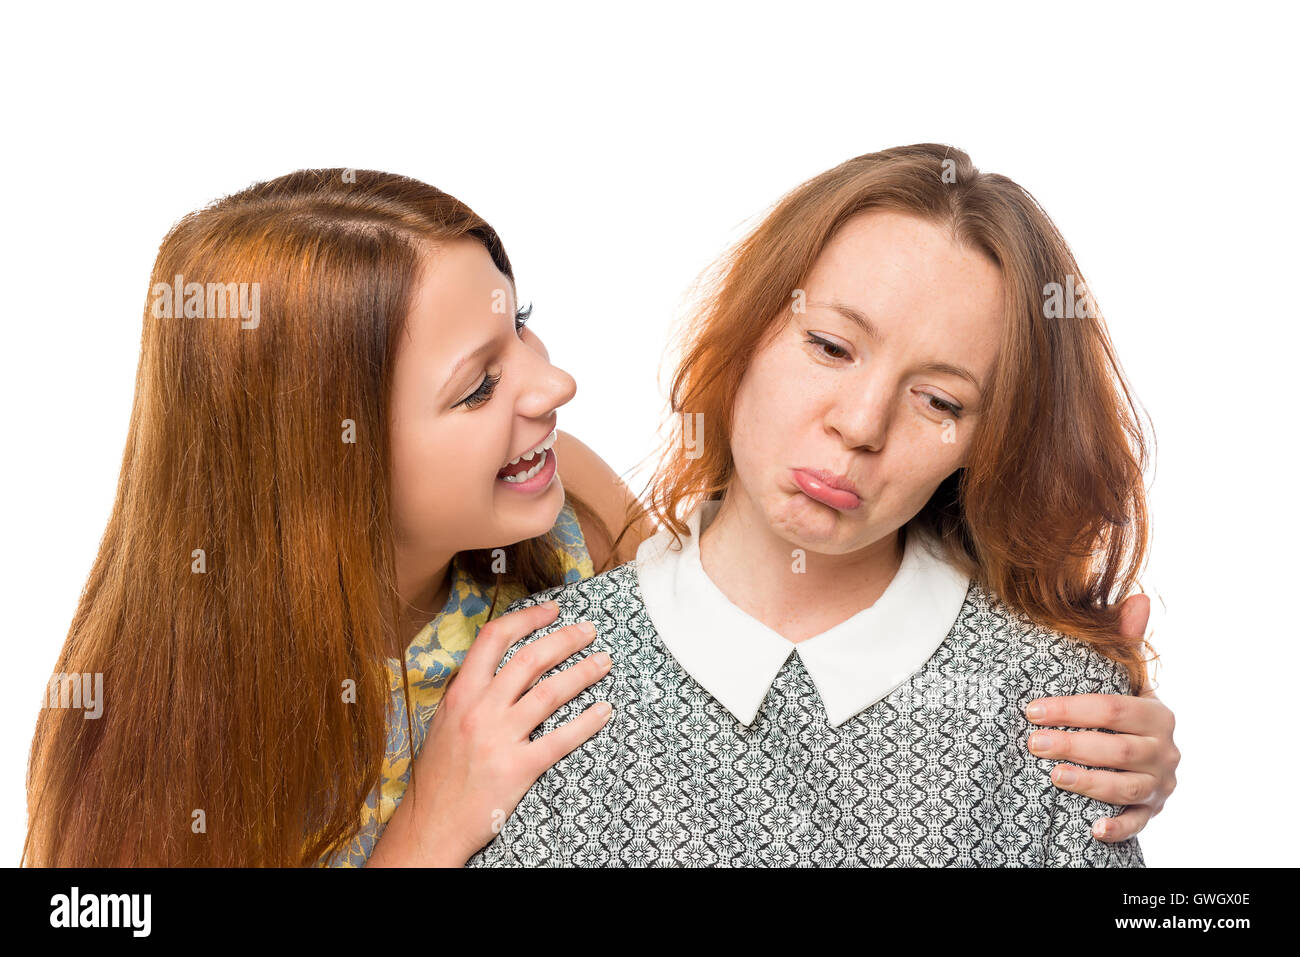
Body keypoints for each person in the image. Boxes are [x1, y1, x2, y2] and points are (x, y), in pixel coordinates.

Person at [465, 144, 1162, 866]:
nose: (861, 425)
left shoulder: (1052, 704)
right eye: (830, 346)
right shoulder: (534, 676)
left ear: (985, 444)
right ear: (748, 330)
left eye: (940, 400)